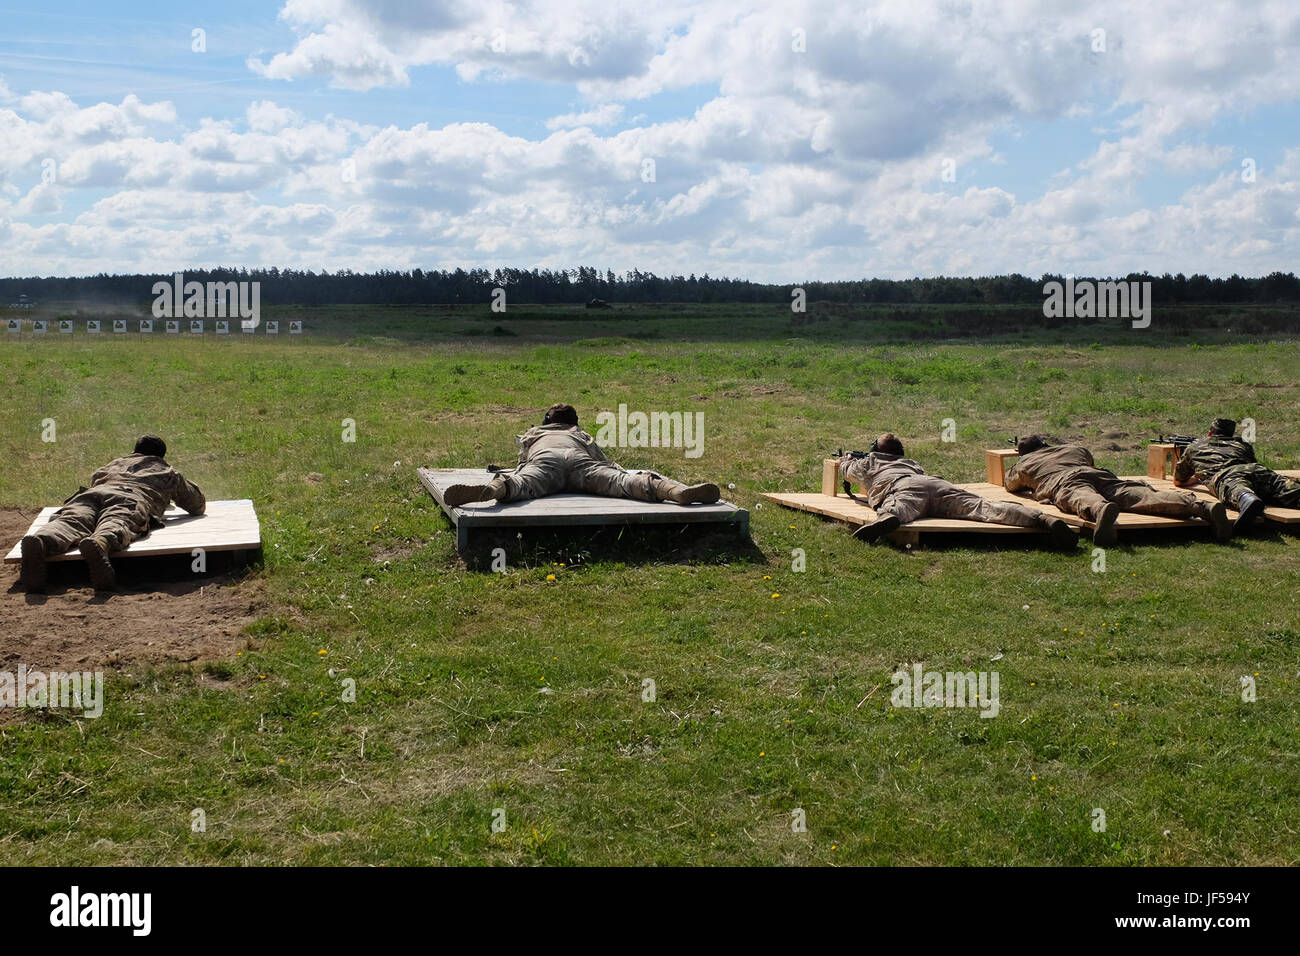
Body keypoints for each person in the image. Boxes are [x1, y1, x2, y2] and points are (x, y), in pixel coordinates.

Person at [20, 435, 206, 592]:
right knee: (117, 521)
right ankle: (100, 544)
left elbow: (96, 479)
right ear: (161, 456)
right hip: (129, 497)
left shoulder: (112, 465)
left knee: (71, 521)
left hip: (91, 494)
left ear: (135, 451)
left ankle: (42, 541)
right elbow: (196, 505)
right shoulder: (167, 471)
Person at [441, 404, 720, 508]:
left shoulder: (533, 432)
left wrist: (512, 475)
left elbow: (523, 462)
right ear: (575, 421)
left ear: (546, 420)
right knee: (623, 483)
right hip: (580, 464)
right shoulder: (580, 434)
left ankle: (490, 491)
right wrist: (616, 471)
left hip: (545, 463)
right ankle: (674, 492)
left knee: (517, 483)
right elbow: (602, 460)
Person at [838, 434, 1077, 548]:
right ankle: (1041, 519)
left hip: (901, 487)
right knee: (984, 507)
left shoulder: (869, 462)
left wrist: (847, 459)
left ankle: (889, 517)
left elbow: (847, 470)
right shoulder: (912, 463)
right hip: (935, 484)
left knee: (898, 507)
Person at [1005, 434, 1230, 545]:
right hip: (1099, 474)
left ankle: (1101, 510)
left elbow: (1011, 484)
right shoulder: (1074, 448)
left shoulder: (1024, 464)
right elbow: (1088, 459)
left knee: (1080, 496)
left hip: (1063, 481)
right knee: (1143, 495)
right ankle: (1201, 506)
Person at [1174, 418, 1300, 530]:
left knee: (1235, 488)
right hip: (1256, 469)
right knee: (1282, 487)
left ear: (1209, 433)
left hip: (1226, 475)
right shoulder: (1242, 444)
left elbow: (1178, 480)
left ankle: (1247, 499)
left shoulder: (1194, 447)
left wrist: (1197, 478)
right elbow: (1251, 466)